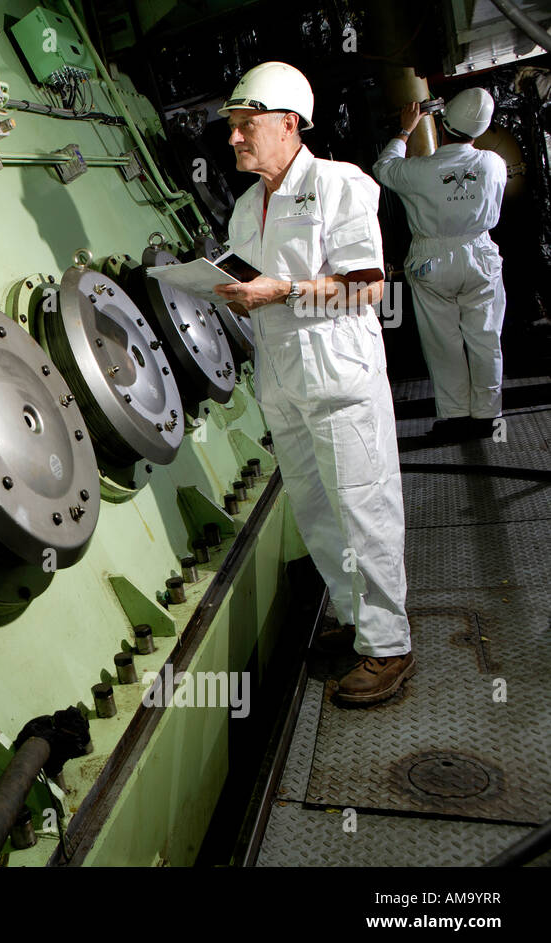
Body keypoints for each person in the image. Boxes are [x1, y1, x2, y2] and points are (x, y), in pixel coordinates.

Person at [211, 61, 414, 706]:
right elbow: (259, 286)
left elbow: (368, 287)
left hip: (339, 382)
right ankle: (359, 623)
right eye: (234, 127)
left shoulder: (339, 186)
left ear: (288, 123)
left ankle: (390, 646)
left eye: (247, 125)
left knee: (363, 508)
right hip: (283, 383)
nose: (235, 138)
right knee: (317, 512)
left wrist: (283, 290)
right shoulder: (247, 206)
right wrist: (237, 294)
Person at [372, 89, 506, 440]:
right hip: (480, 253)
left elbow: (382, 168)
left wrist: (405, 130)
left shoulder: (419, 171)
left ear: (441, 127)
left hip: (433, 261)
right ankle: (489, 416)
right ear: (478, 132)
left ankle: (456, 417)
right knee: (486, 338)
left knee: (442, 341)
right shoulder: (494, 163)